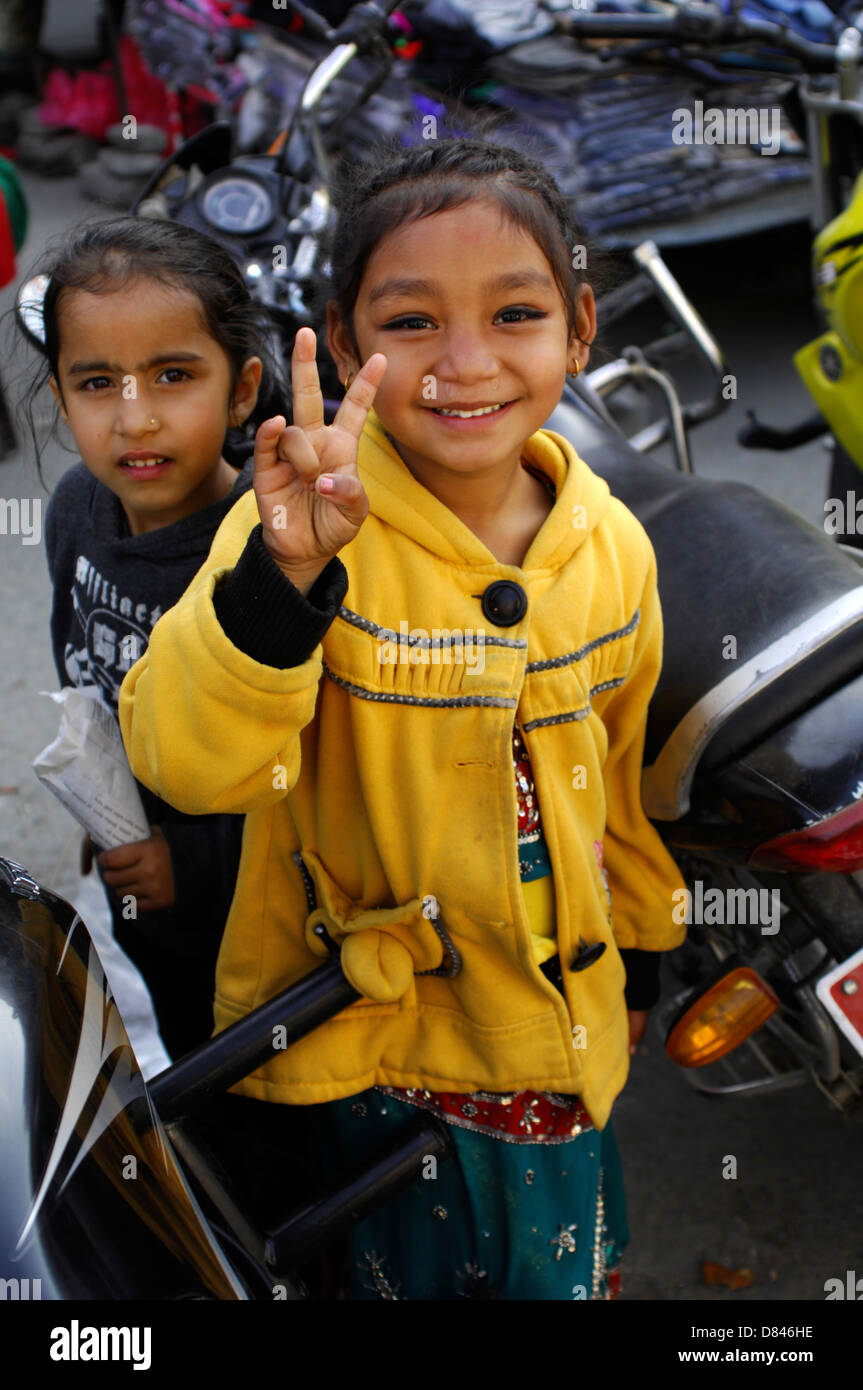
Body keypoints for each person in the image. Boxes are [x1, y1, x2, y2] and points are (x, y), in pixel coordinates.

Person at [119, 137, 687, 1298]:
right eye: (413, 321)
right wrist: (283, 582)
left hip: (557, 1033)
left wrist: (635, 955)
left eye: (515, 312)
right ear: (341, 339)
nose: (464, 362)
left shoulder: (612, 545)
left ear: (579, 328)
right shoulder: (304, 528)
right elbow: (184, 758)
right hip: (388, 1054)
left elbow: (612, 782)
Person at [27, 215, 276, 1060]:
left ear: (241, 391)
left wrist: (192, 861)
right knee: (186, 1058)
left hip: (262, 927)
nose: (134, 419)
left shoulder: (269, 552)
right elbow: (85, 677)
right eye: (97, 383)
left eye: (173, 375)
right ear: (59, 395)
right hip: (140, 883)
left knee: (265, 1099)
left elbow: (301, 770)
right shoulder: (75, 510)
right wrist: (107, 812)